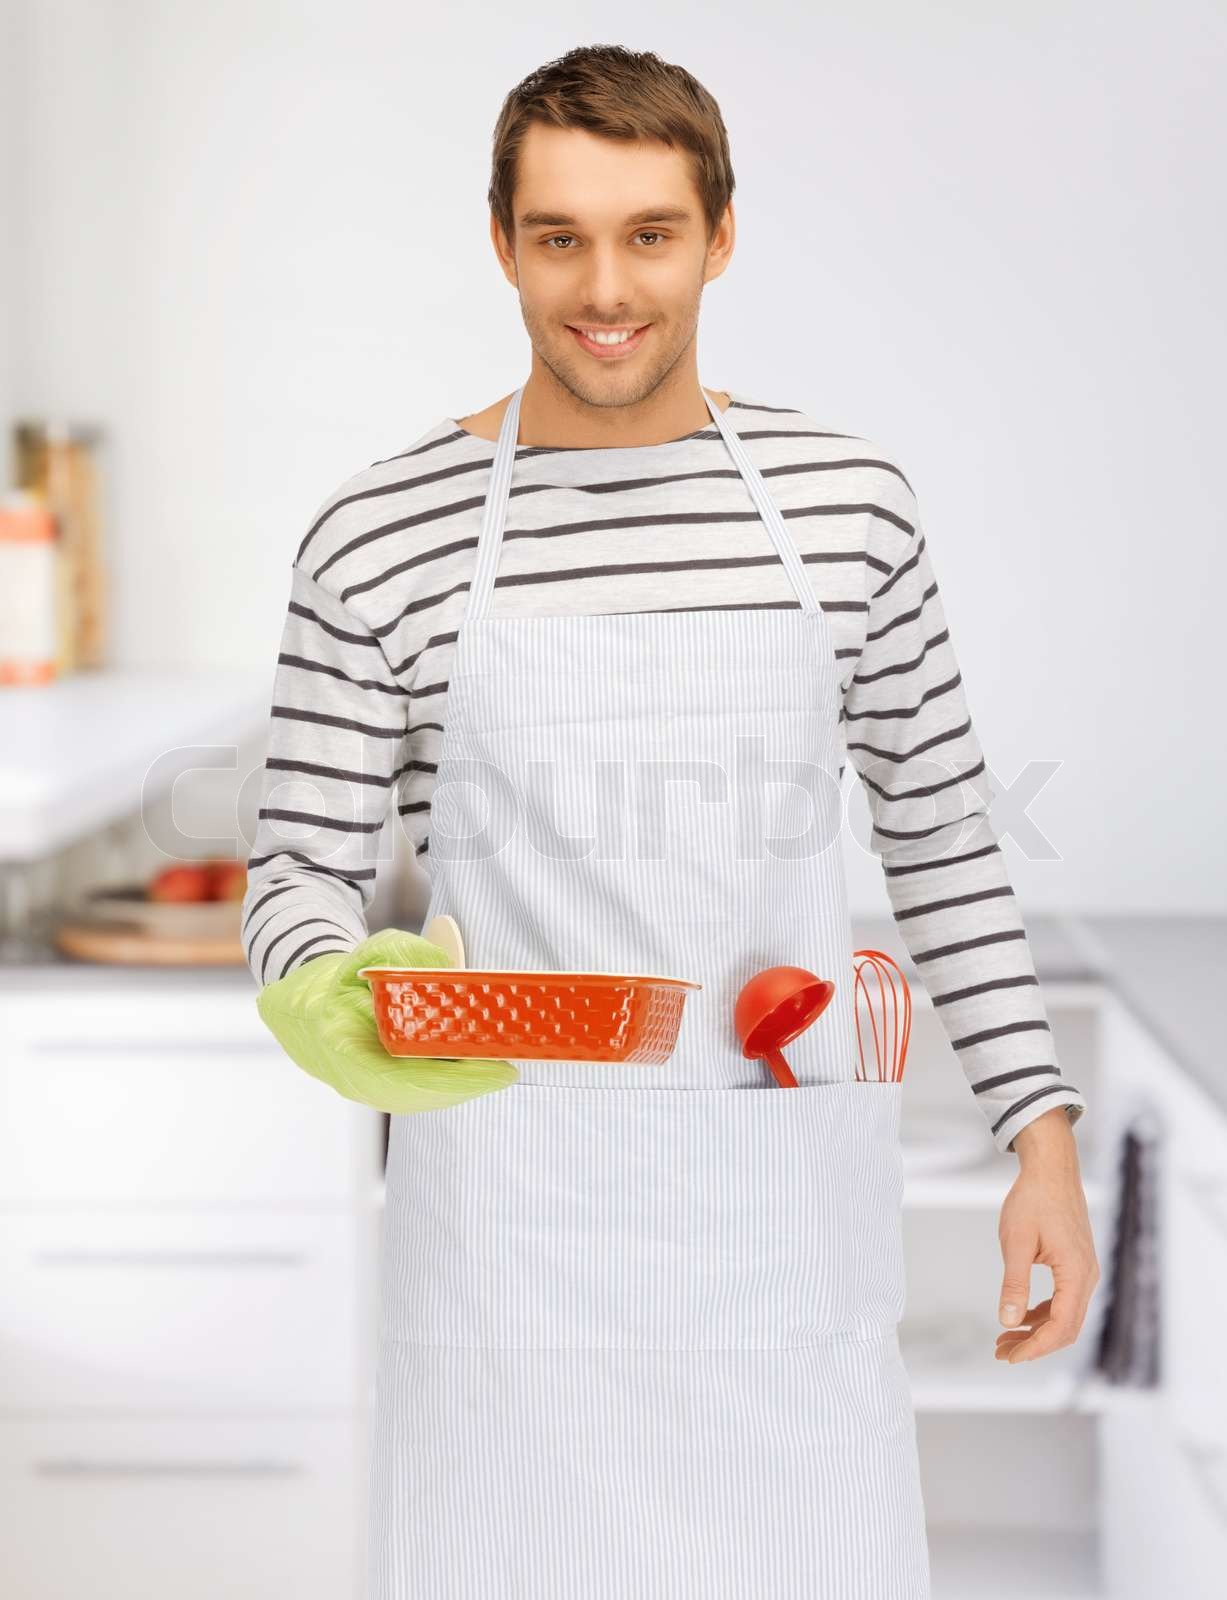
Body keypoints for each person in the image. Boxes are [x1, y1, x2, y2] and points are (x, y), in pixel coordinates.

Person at [242, 43, 1100, 1599]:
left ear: (718, 235)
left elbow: (945, 839)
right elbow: (299, 860)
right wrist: (320, 980)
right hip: (512, 1231)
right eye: (559, 236)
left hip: (770, 1221)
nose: (605, 287)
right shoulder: (378, 536)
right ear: (502, 242)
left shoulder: (848, 509)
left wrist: (1041, 1144)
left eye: (649, 232)